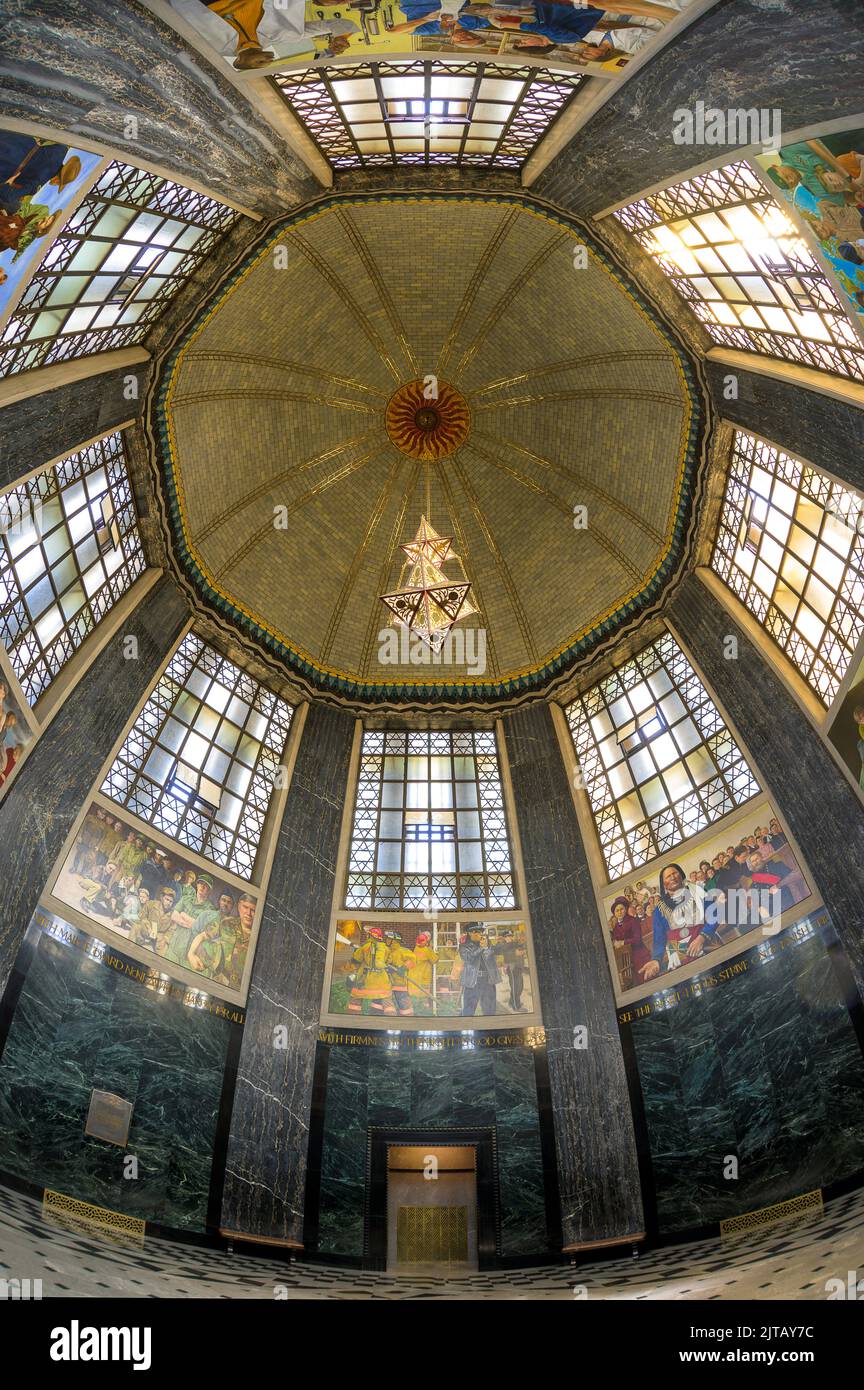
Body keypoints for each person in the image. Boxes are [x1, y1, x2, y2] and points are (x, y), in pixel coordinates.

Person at [642, 864, 718, 981]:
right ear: (664, 884)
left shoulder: (698, 891)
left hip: (705, 942)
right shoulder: (659, 909)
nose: (672, 877)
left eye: (675, 873)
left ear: (681, 875)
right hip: (678, 953)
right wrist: (656, 959)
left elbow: (714, 914)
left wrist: (701, 938)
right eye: (668, 876)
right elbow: (659, 938)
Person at [348, 926, 395, 1014]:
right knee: (386, 1000)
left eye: (368, 935)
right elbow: (389, 961)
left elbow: (356, 959)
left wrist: (356, 951)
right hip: (382, 981)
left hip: (365, 979)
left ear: (371, 936)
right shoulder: (386, 948)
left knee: (355, 999)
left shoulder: (365, 947)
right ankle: (391, 1018)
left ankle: (352, 1019)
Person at [459, 924, 499, 1015]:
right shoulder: (464, 946)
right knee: (469, 1010)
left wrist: (487, 948)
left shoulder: (486, 944)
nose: (479, 934)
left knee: (490, 1010)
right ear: (469, 933)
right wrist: (481, 948)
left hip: (488, 980)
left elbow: (492, 958)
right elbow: (468, 958)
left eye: (480, 931)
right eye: (476, 932)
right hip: (473, 981)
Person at [609, 895, 652, 980]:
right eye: (617, 911)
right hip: (627, 961)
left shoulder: (633, 921)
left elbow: (638, 939)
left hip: (640, 955)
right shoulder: (616, 927)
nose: (619, 912)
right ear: (614, 913)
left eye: (621, 909)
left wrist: (623, 942)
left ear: (625, 909)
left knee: (647, 979)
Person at [407, 931, 438, 1014]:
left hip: (414, 976)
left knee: (416, 996)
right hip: (424, 976)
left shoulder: (416, 949)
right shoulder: (426, 950)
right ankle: (424, 1012)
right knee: (424, 996)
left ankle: (419, 1010)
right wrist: (435, 951)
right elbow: (435, 959)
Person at [384, 930, 415, 1016]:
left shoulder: (402, 951)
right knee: (386, 1006)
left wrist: (403, 968)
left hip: (399, 983)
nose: (386, 940)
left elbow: (413, 960)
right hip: (387, 984)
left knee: (405, 1007)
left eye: (388, 938)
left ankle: (408, 1022)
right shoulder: (386, 950)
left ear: (394, 940)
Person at [497, 927, 528, 1010]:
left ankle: (512, 1002)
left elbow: (521, 946)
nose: (510, 937)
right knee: (515, 988)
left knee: (520, 987)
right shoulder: (502, 945)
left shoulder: (514, 943)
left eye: (511, 935)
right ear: (504, 937)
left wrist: (522, 941)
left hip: (518, 967)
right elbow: (506, 954)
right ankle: (516, 1006)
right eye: (508, 936)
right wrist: (515, 953)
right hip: (512, 968)